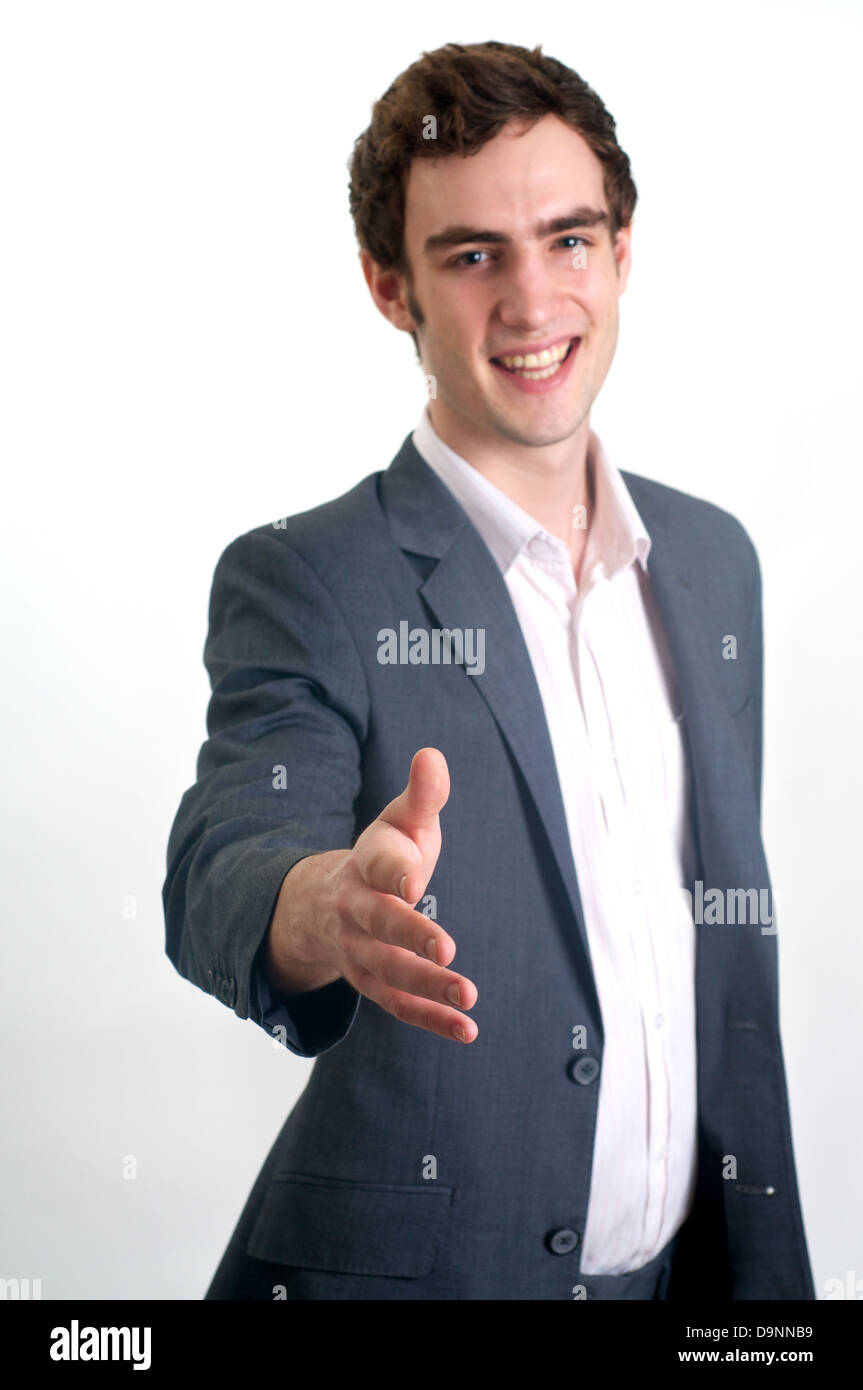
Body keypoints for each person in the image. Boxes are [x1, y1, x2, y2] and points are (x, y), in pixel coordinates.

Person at [162, 40, 815, 1300]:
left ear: (622, 253)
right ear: (387, 287)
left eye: (567, 240)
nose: (530, 302)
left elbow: (717, 960)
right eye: (470, 256)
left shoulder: (711, 563)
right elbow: (220, 857)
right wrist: (326, 907)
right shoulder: (307, 577)